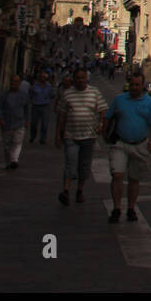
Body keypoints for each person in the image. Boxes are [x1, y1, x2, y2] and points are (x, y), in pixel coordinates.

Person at [104, 73, 151, 223]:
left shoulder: (150, 103)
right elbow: (107, 116)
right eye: (132, 84)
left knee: (134, 179)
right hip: (120, 143)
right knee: (117, 175)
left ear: (143, 85)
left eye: (137, 85)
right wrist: (104, 132)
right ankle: (117, 208)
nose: (134, 87)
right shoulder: (119, 100)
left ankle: (131, 208)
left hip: (140, 144)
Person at [55, 67, 107, 206]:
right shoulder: (67, 94)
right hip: (71, 135)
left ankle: (79, 190)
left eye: (82, 78)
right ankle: (66, 191)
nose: (80, 80)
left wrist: (101, 124)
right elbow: (61, 116)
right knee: (70, 163)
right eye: (78, 77)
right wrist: (58, 135)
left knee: (84, 166)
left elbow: (102, 109)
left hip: (89, 136)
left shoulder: (94, 92)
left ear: (86, 79)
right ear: (74, 79)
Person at [0, 74, 31, 169]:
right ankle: (8, 162)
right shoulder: (4, 95)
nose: (13, 83)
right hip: (7, 123)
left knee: (17, 142)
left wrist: (27, 120)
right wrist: (1, 119)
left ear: (20, 83)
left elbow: (27, 109)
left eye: (16, 82)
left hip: (20, 123)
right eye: (12, 81)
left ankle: (14, 160)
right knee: (7, 145)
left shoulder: (24, 95)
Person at [27, 70, 55, 144]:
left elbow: (52, 95)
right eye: (41, 77)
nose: (43, 78)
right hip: (36, 106)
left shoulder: (49, 86)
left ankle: (43, 139)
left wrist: (48, 100)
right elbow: (30, 95)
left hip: (45, 106)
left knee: (45, 124)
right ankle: (33, 136)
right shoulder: (34, 86)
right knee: (34, 123)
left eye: (44, 77)